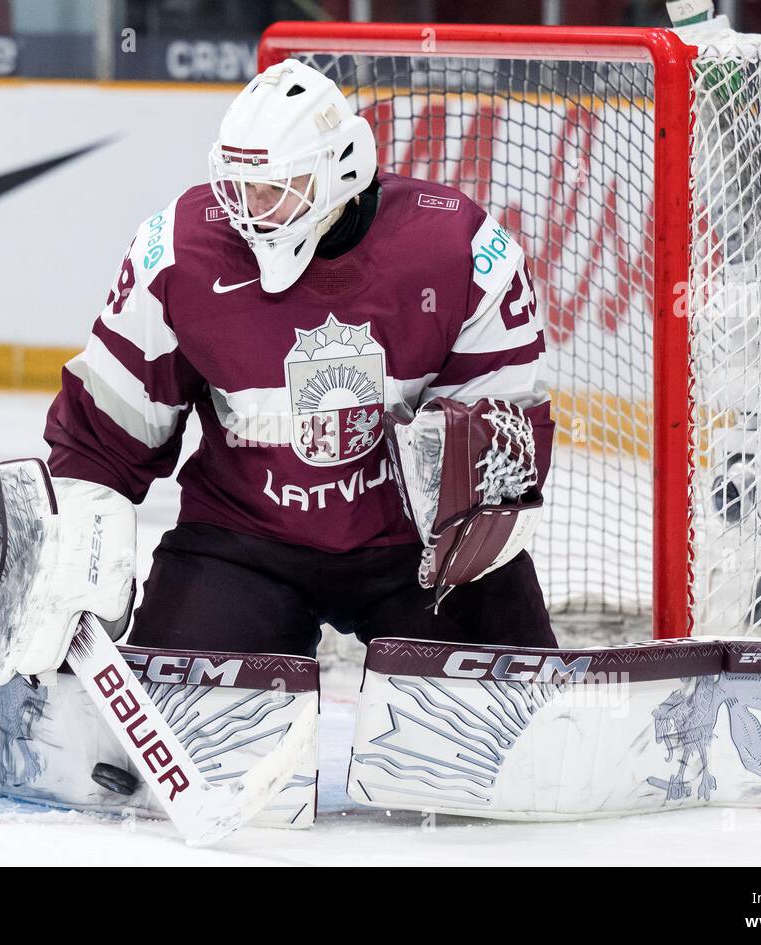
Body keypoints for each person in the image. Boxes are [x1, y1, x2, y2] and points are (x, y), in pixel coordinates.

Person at [44, 58, 557, 657]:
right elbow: (105, 435)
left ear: (340, 172)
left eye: (275, 186)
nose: (249, 205)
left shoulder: (459, 250)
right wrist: (81, 544)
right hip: (243, 541)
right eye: (238, 183)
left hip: (416, 549)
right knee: (181, 717)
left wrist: (473, 516)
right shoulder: (176, 252)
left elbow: (502, 443)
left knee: (513, 722)